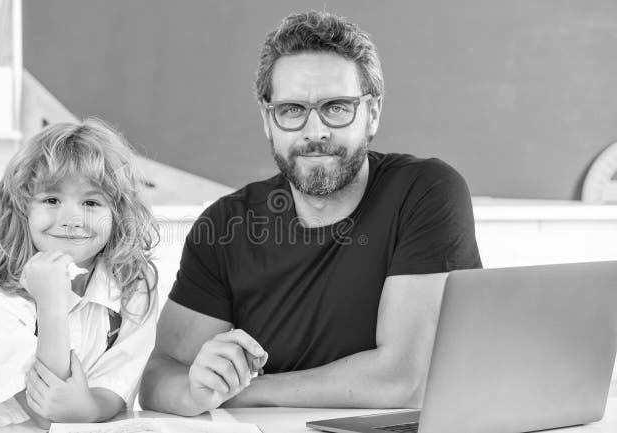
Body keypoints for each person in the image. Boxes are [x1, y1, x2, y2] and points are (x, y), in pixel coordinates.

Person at [139, 10, 482, 416]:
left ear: (372, 113)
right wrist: (197, 390)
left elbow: (403, 380)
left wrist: (247, 391)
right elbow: (159, 377)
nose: (314, 131)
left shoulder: (425, 191)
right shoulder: (224, 224)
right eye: (292, 110)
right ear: (269, 120)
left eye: (336, 108)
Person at [0, 119, 159, 428]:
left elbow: (117, 386)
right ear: (23, 208)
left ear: (118, 215)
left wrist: (90, 409)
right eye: (52, 200)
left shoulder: (134, 285)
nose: (71, 219)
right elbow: (44, 414)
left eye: (92, 202)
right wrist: (51, 304)